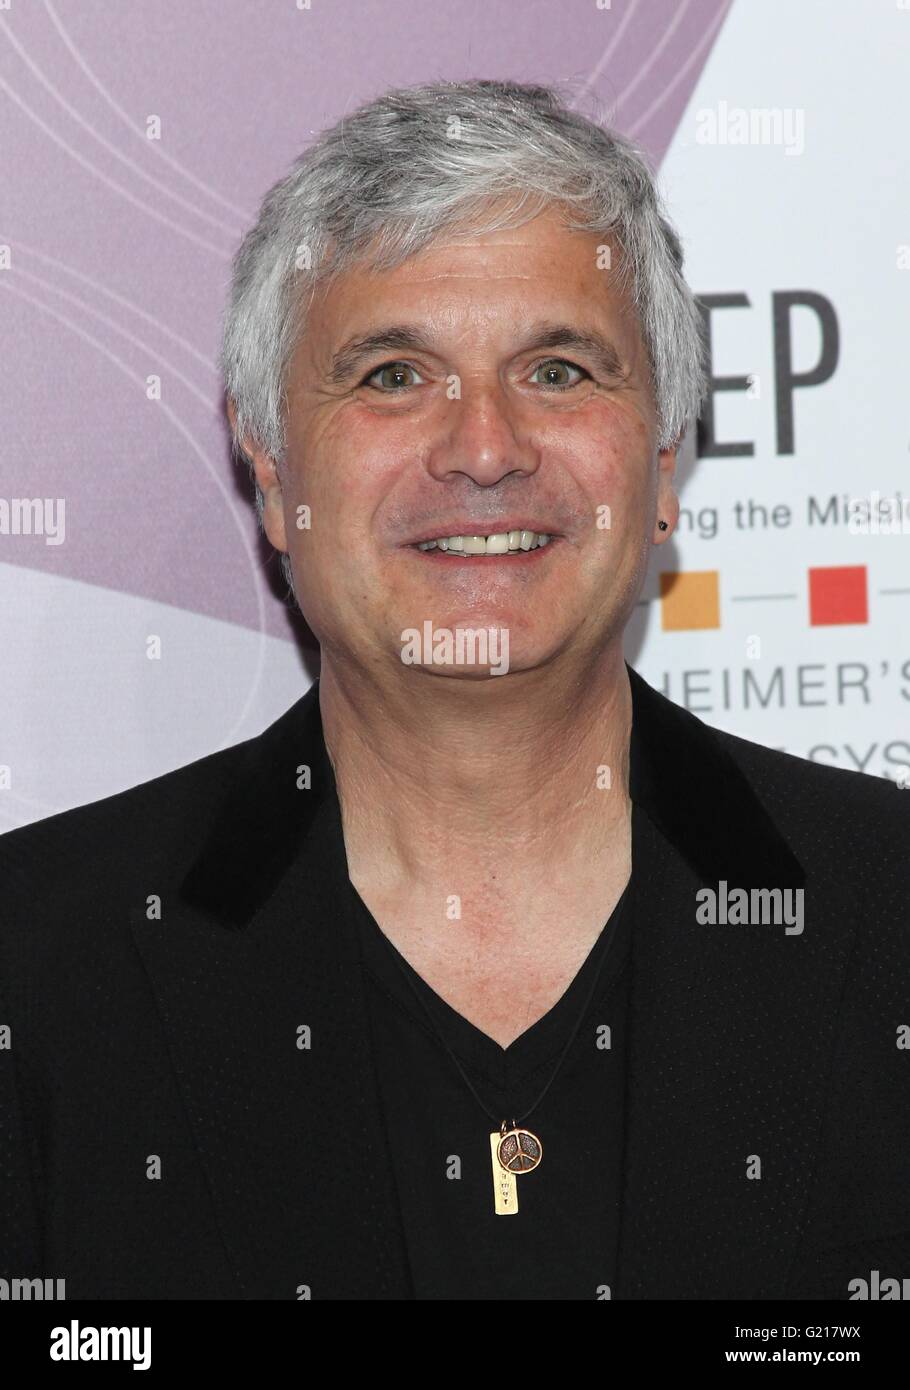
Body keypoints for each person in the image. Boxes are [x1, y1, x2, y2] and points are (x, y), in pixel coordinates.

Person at [1, 79, 907, 1302]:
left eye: (558, 368)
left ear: (661, 459)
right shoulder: (37, 966)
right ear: (269, 472)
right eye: (388, 375)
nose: (483, 447)